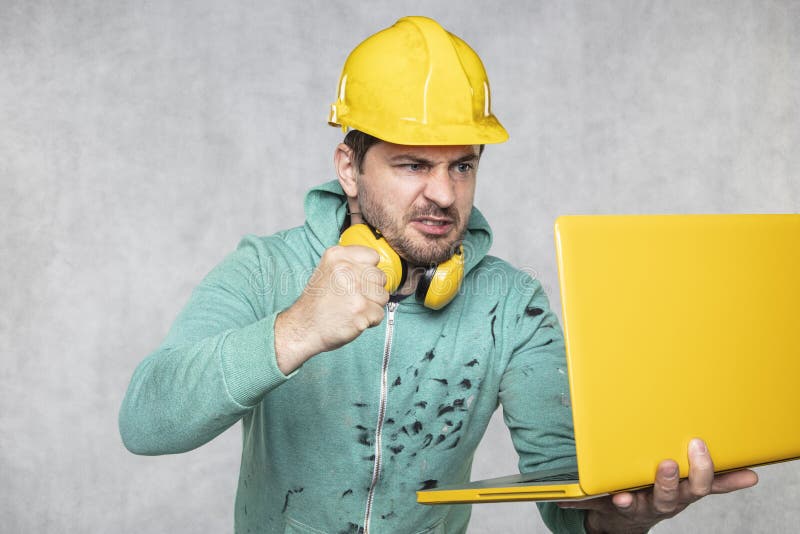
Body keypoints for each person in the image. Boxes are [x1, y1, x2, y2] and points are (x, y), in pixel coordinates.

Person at [119, 16, 758, 534]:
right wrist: (295, 330)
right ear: (349, 167)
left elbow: (567, 496)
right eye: (412, 164)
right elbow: (146, 422)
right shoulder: (265, 268)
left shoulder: (512, 305)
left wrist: (627, 520)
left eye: (462, 166)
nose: (445, 196)